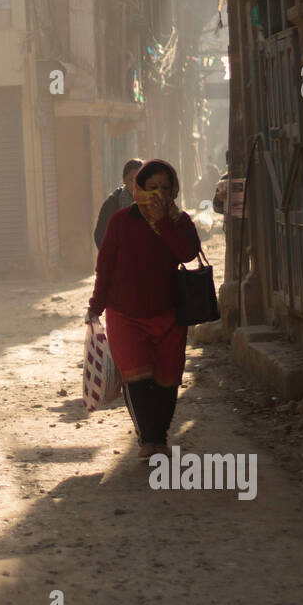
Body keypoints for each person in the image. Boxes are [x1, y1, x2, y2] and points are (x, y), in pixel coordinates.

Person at [86, 158, 200, 460]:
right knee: (136, 377)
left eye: (165, 187)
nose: (158, 193)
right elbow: (105, 266)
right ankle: (147, 438)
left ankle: (159, 437)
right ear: (140, 188)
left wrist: (164, 221)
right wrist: (95, 306)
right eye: (152, 187)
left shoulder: (179, 221)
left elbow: (187, 253)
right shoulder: (121, 221)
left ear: (173, 190)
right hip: (125, 313)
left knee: (166, 378)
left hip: (169, 312)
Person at [94, 158, 144, 250]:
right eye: (131, 180)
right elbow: (100, 236)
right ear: (124, 180)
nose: (135, 185)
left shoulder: (153, 204)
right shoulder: (112, 204)